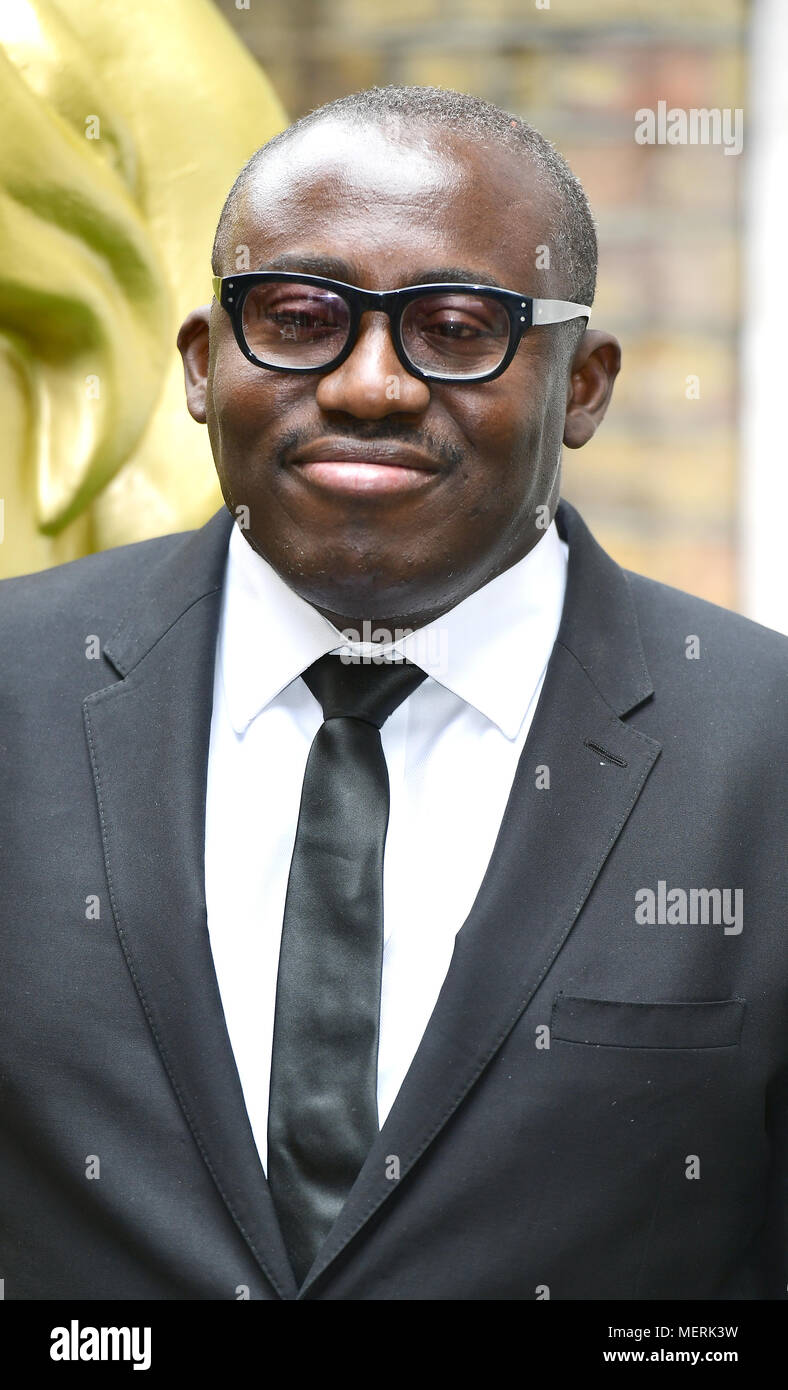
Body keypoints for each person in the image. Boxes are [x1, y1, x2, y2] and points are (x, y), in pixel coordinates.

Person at [0, 85, 786, 1302]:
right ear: (205, 366)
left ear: (583, 386)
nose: (371, 384)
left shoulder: (761, 748)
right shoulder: (15, 691)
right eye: (300, 316)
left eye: (460, 326)